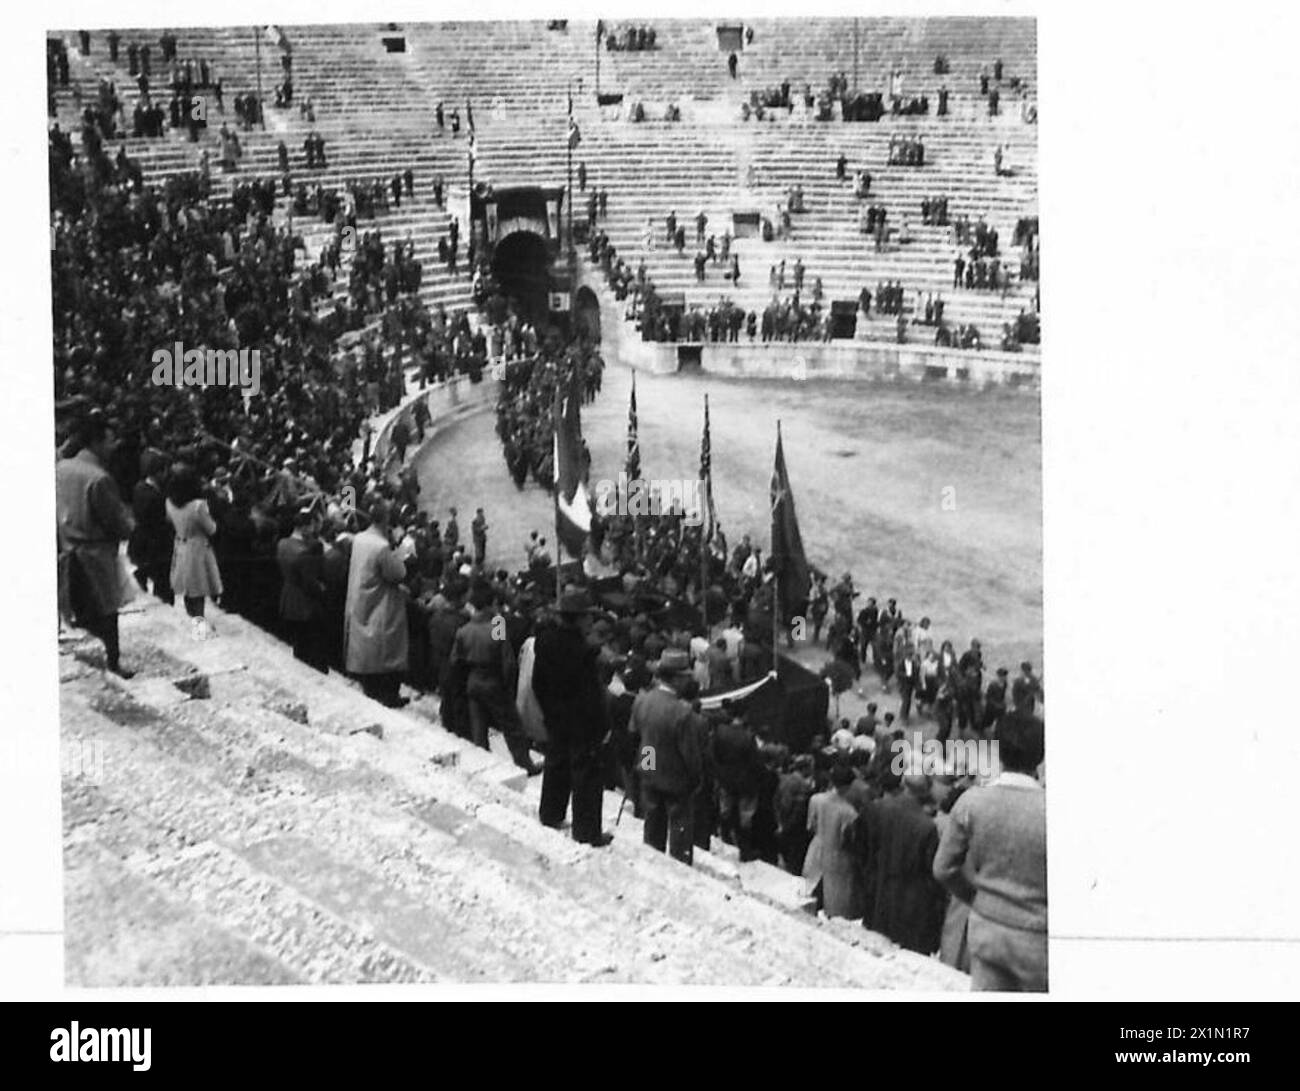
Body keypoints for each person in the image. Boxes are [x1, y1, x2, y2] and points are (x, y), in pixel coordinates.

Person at [933, 712, 1047, 991]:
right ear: (1040, 756)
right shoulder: (1052, 811)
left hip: (986, 929)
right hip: (1036, 936)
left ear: (997, 751)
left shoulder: (972, 801)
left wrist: (978, 898)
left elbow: (943, 868)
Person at [56, 417, 136, 678]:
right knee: (106, 608)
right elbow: (117, 523)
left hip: (67, 543)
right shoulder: (99, 478)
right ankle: (113, 662)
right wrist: (129, 524)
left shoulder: (62, 467)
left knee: (77, 603)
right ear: (97, 442)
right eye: (110, 440)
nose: (113, 445)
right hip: (95, 552)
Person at [532, 588, 612, 844]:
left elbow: (537, 682)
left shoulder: (544, 640)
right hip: (581, 723)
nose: (590, 620)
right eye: (587, 615)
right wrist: (601, 725)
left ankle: (550, 812)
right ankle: (587, 832)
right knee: (586, 776)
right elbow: (590, 694)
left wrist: (548, 710)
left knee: (556, 763)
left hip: (555, 716)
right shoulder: (583, 651)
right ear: (578, 618)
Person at [452, 580, 541, 772]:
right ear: (491, 603)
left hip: (473, 679)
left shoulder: (464, 630)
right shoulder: (497, 624)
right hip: (493, 680)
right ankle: (524, 763)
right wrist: (508, 684)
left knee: (478, 726)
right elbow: (507, 658)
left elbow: (456, 661)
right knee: (512, 727)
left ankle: (482, 762)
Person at [629, 648, 704, 865]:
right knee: (679, 828)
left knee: (652, 821)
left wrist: (647, 767)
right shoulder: (682, 712)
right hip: (675, 778)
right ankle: (679, 866)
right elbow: (690, 755)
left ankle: (652, 860)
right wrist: (695, 778)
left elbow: (637, 735)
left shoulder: (642, 700)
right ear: (677, 679)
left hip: (649, 769)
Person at [859, 773, 945, 953]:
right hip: (910, 902)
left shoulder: (876, 808)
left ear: (902, 784)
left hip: (877, 890)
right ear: (926, 792)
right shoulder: (926, 826)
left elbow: (860, 844)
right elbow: (932, 873)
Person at [344, 500, 410, 708]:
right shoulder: (381, 547)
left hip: (362, 598)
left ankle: (373, 689)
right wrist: (399, 553)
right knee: (386, 650)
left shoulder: (360, 538)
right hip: (380, 603)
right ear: (386, 520)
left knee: (368, 650)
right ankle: (388, 695)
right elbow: (398, 573)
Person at [166, 466, 223, 639]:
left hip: (180, 545)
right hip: (197, 549)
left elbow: (170, 521)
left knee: (187, 589)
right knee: (198, 591)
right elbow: (211, 529)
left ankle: (194, 621)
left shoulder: (169, 501)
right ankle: (199, 629)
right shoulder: (198, 506)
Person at [802, 763, 861, 918]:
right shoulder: (850, 813)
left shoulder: (815, 799)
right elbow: (849, 841)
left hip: (816, 848)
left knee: (810, 895)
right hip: (838, 858)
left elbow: (810, 826)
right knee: (836, 904)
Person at [277, 508, 327, 671]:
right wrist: (322, 590)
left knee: (298, 643)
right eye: (312, 526)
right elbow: (310, 583)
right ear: (305, 527)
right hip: (304, 604)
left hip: (288, 597)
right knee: (309, 646)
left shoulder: (282, 543)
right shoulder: (304, 551)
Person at [128, 450, 173, 605]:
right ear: (158, 472)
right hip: (156, 544)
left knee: (155, 571)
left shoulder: (139, 487)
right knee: (163, 581)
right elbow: (163, 520)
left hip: (142, 540)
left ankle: (142, 573)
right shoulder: (156, 497)